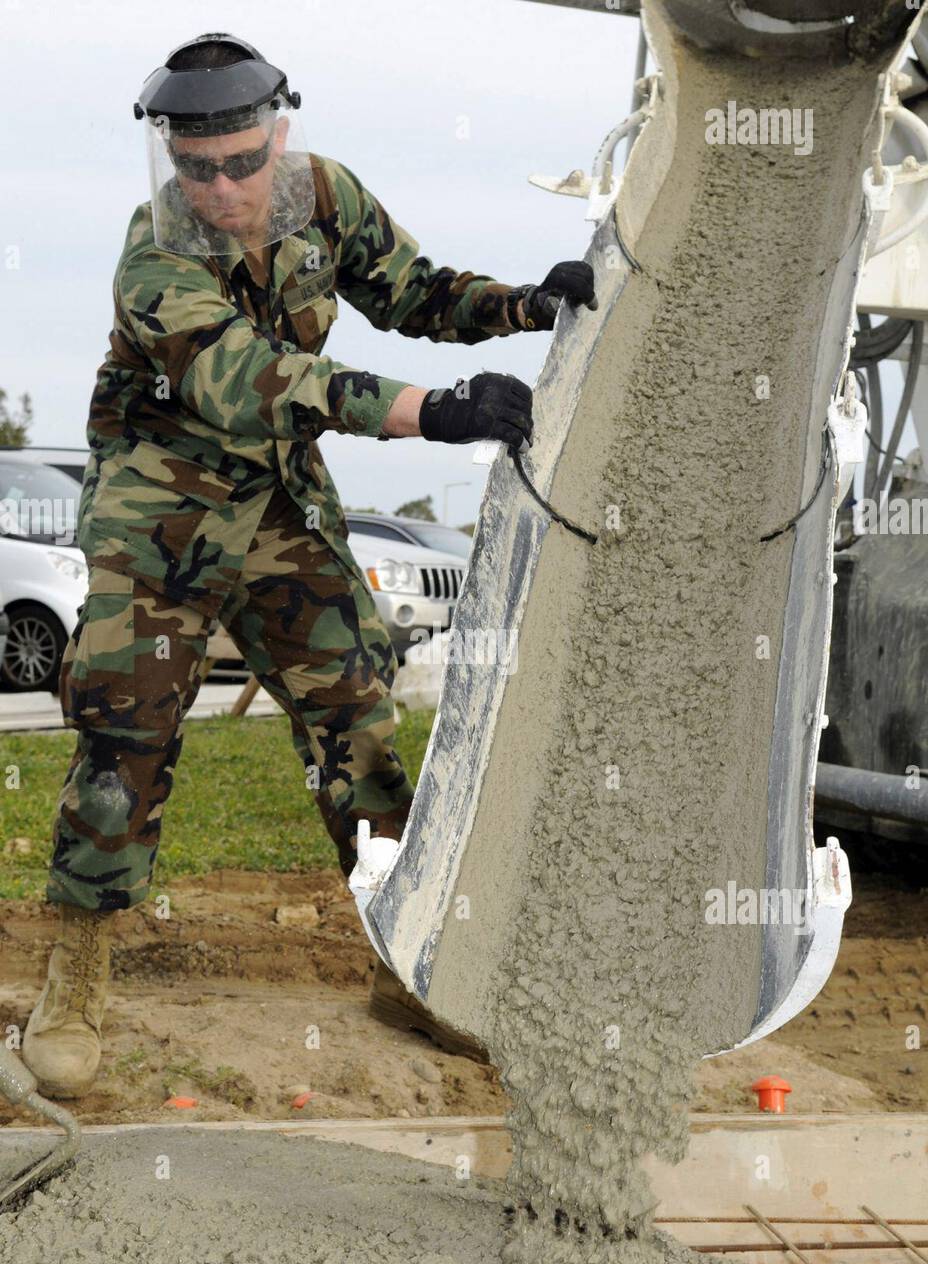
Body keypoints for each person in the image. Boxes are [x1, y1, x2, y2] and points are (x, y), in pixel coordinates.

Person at [23, 32, 598, 1097]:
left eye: (243, 162)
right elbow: (255, 382)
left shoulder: (324, 197)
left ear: (278, 138)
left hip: (280, 505)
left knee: (359, 722)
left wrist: (523, 302)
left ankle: (412, 960)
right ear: (171, 162)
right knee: (123, 735)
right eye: (199, 169)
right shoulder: (152, 259)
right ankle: (77, 973)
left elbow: (413, 289)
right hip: (162, 514)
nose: (224, 189)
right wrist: (434, 412)